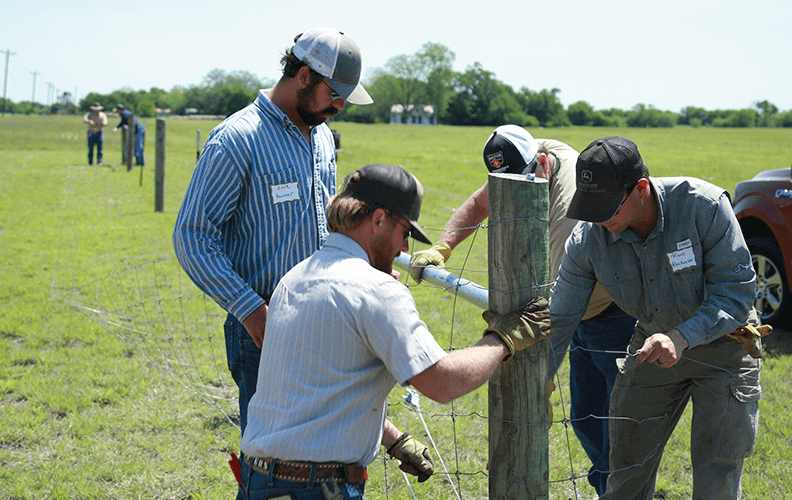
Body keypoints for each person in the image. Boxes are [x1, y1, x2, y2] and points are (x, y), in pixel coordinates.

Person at [237, 163, 552, 500]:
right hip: (317, 488)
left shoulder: (294, 278)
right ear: (378, 220)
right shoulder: (375, 290)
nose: (403, 248)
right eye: (405, 233)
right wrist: (504, 337)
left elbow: (317, 387)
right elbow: (442, 382)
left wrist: (392, 439)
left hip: (258, 479)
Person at [408, 125, 635, 494]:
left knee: (621, 421)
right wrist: (443, 247)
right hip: (579, 318)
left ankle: (622, 490)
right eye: (506, 185)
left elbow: (560, 300)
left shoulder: (569, 204)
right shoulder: (526, 157)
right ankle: (607, 488)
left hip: (614, 314)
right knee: (585, 417)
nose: (513, 195)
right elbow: (480, 203)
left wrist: (539, 384)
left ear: (542, 164)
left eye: (523, 183)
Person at [172, 27, 373, 433]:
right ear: (304, 76)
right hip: (264, 326)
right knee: (269, 454)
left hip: (323, 319)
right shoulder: (237, 139)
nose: (339, 107)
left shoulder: (322, 137)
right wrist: (250, 310)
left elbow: (325, 224)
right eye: (334, 95)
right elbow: (193, 235)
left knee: (321, 448)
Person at [551, 136, 764, 499]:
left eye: (607, 208)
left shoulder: (703, 205)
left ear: (640, 188)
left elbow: (736, 291)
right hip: (653, 346)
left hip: (726, 346)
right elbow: (560, 316)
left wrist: (681, 337)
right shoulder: (588, 238)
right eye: (590, 208)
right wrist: (539, 381)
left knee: (717, 473)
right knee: (625, 469)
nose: (599, 220)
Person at [112, 103, 145, 169]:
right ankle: (139, 162)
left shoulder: (124, 114)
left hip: (138, 130)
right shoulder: (126, 112)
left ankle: (140, 162)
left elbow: (123, 122)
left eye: (117, 111)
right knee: (136, 146)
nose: (117, 112)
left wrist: (117, 127)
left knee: (138, 146)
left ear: (120, 110)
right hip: (136, 130)